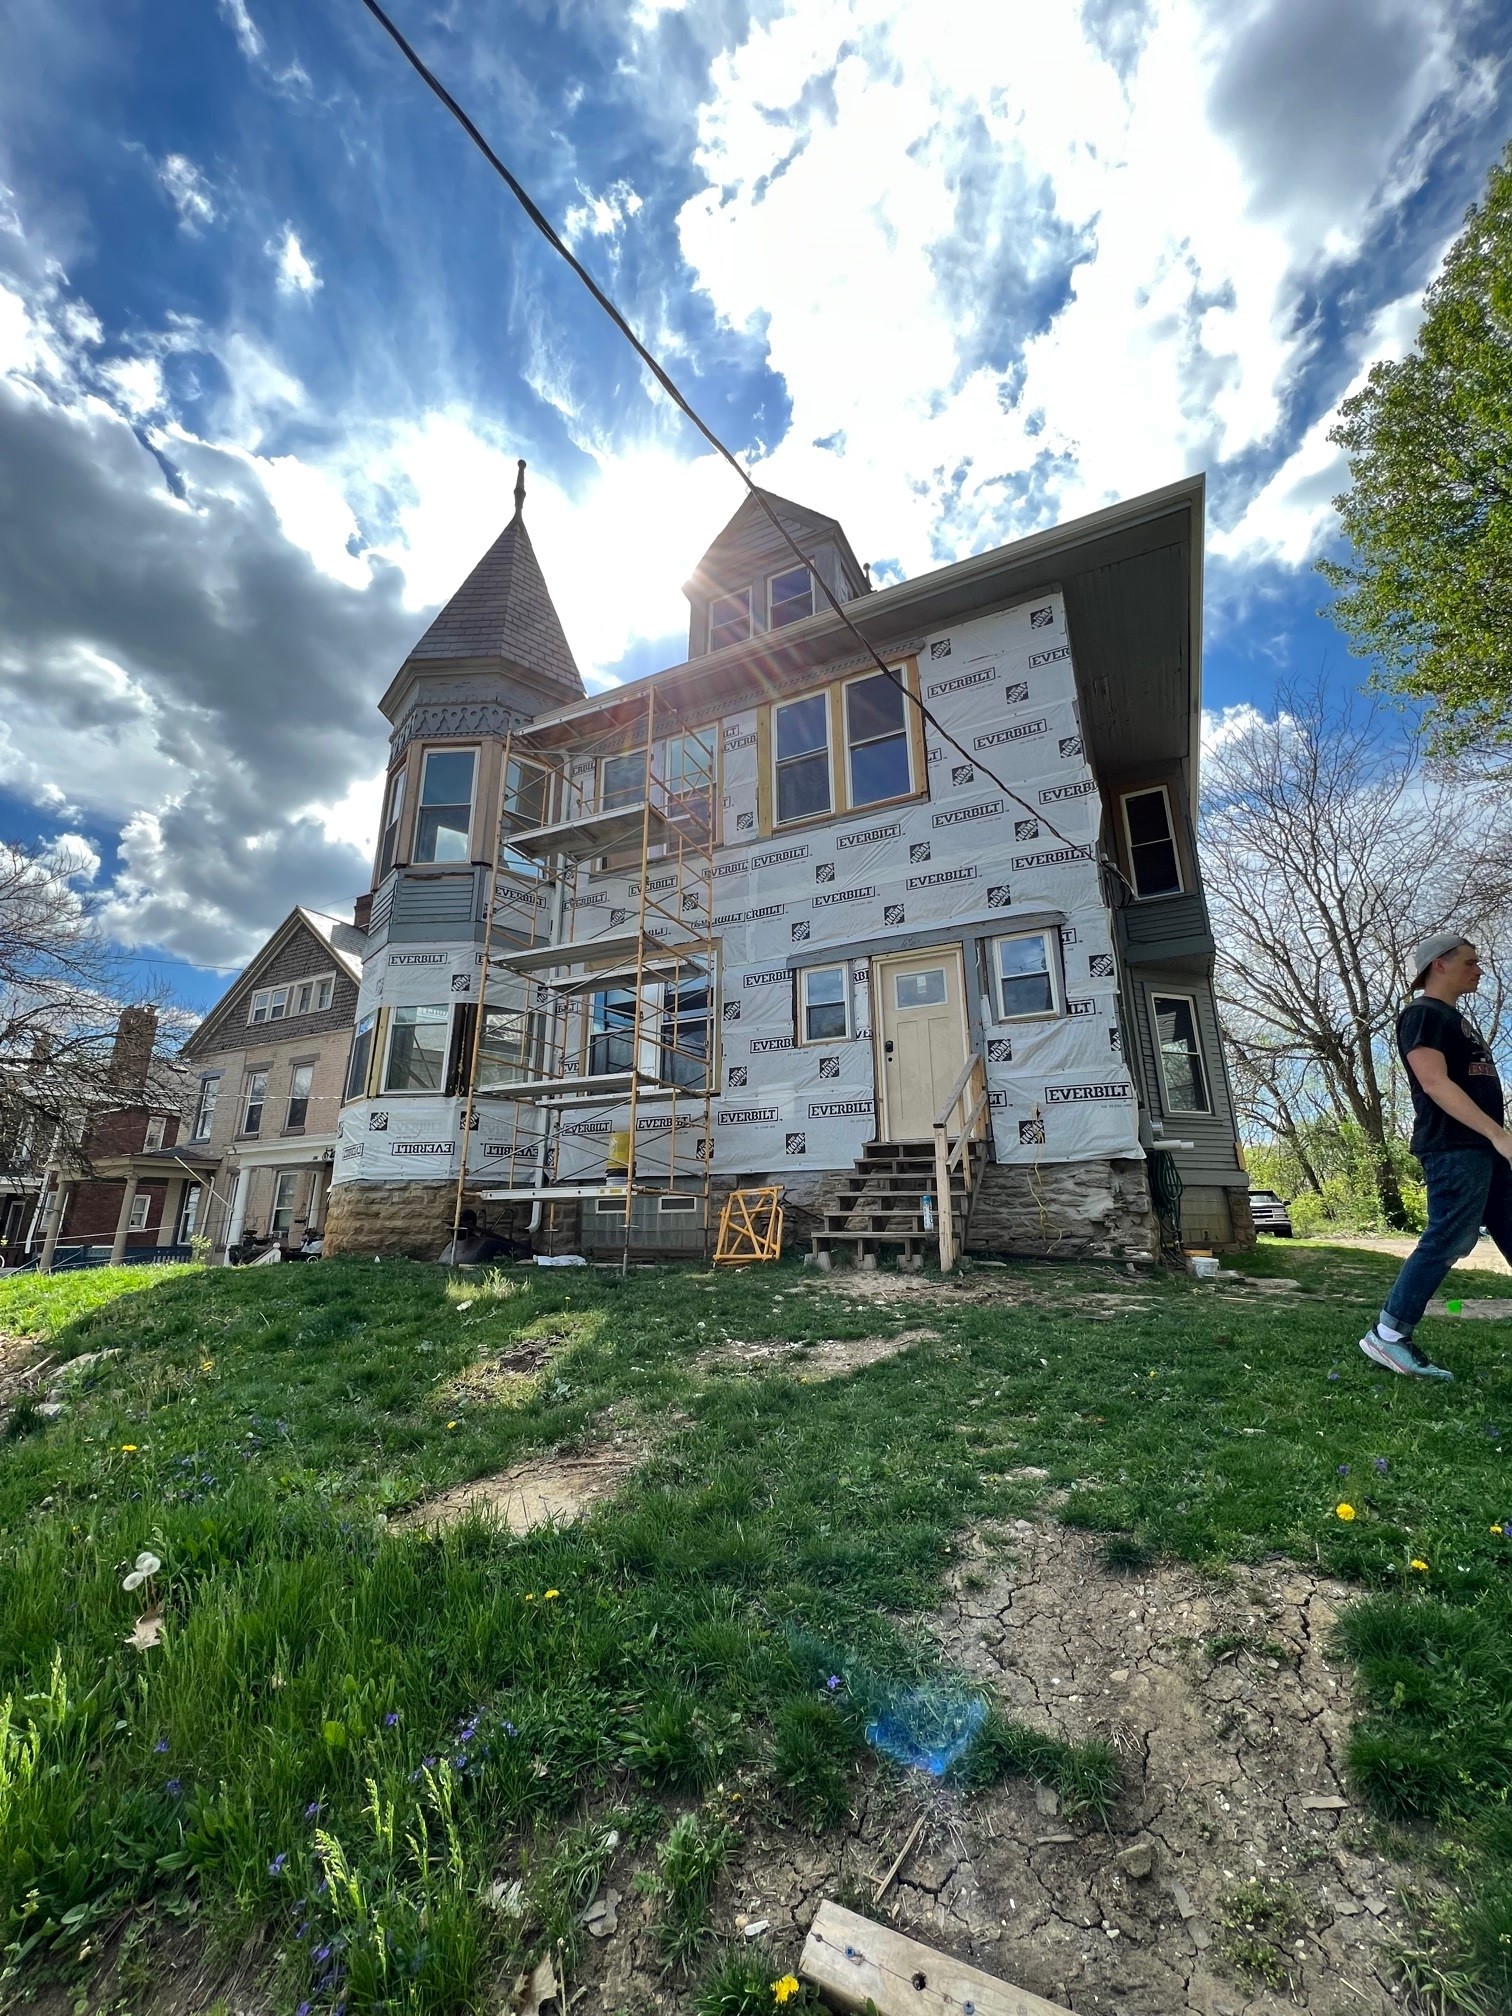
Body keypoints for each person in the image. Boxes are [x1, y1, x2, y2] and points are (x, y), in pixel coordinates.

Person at [1359, 932, 1512, 1380]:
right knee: (1448, 1237)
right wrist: (1498, 1135)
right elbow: (1435, 1083)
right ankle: (1387, 1335)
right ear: (1439, 965)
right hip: (1455, 1147)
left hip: (1484, 1148)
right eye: (1470, 962)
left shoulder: (1455, 1019)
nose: (1478, 970)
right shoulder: (1423, 1014)